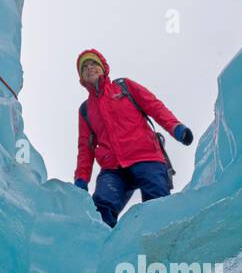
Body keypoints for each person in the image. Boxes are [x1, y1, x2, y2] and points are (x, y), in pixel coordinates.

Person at [73, 49, 193, 227]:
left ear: (103, 67)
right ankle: (104, 251)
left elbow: (155, 107)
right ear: (81, 77)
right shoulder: (85, 110)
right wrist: (81, 179)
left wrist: (176, 128)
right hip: (113, 168)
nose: (90, 68)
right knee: (102, 207)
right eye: (85, 67)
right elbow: (85, 148)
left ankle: (163, 247)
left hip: (146, 157)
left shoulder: (124, 86)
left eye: (93, 64)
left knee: (157, 204)